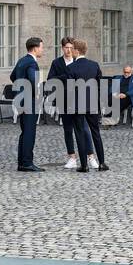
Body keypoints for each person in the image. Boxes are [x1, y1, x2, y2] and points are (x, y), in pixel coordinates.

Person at [65, 37, 107, 172]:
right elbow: (99, 86)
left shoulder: (71, 67)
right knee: (96, 133)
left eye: (73, 49)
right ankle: (102, 163)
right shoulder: (94, 65)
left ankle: (84, 165)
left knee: (79, 133)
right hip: (93, 103)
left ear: (76, 51)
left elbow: (70, 89)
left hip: (77, 105)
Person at [10, 37, 44, 171]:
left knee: (24, 133)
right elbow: (33, 80)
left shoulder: (21, 61)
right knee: (29, 132)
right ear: (35, 48)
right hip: (29, 102)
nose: (42, 50)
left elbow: (13, 77)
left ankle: (22, 162)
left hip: (21, 101)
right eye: (41, 47)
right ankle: (27, 163)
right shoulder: (32, 63)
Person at [47, 37, 79, 168]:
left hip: (78, 99)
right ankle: (71, 157)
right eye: (67, 47)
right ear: (62, 48)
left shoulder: (78, 61)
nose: (69, 50)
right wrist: (65, 77)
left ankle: (89, 155)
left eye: (71, 47)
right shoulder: (56, 63)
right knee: (67, 129)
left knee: (82, 128)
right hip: (63, 99)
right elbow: (50, 79)